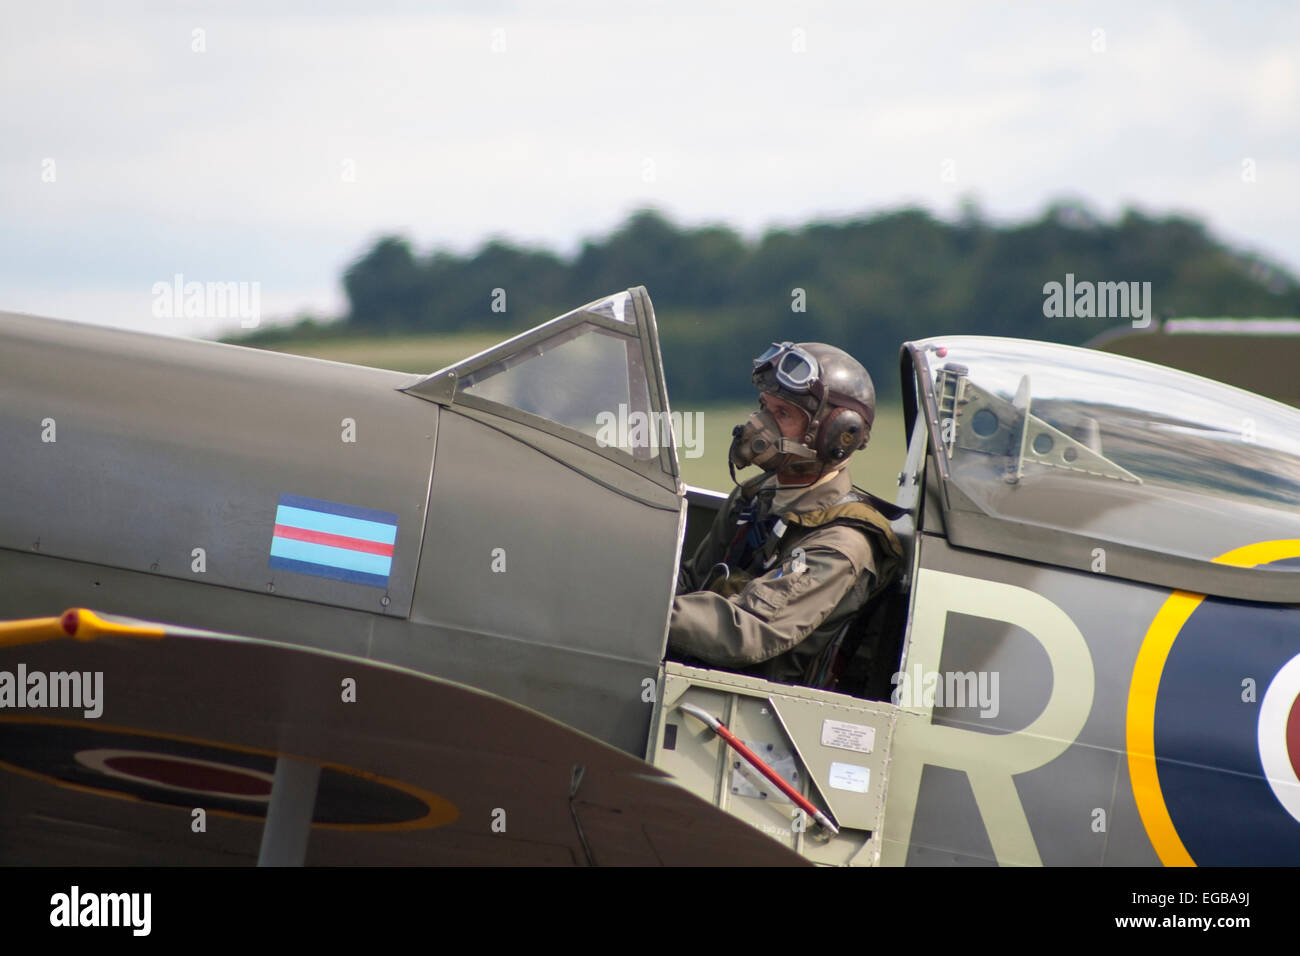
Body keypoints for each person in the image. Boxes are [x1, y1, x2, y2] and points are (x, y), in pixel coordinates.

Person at [667, 341, 904, 687]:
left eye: (783, 415)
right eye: (764, 407)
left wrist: (646, 613)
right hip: (695, 673)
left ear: (836, 436)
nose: (758, 423)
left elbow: (747, 631)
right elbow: (692, 580)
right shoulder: (754, 497)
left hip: (752, 707)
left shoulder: (842, 543)